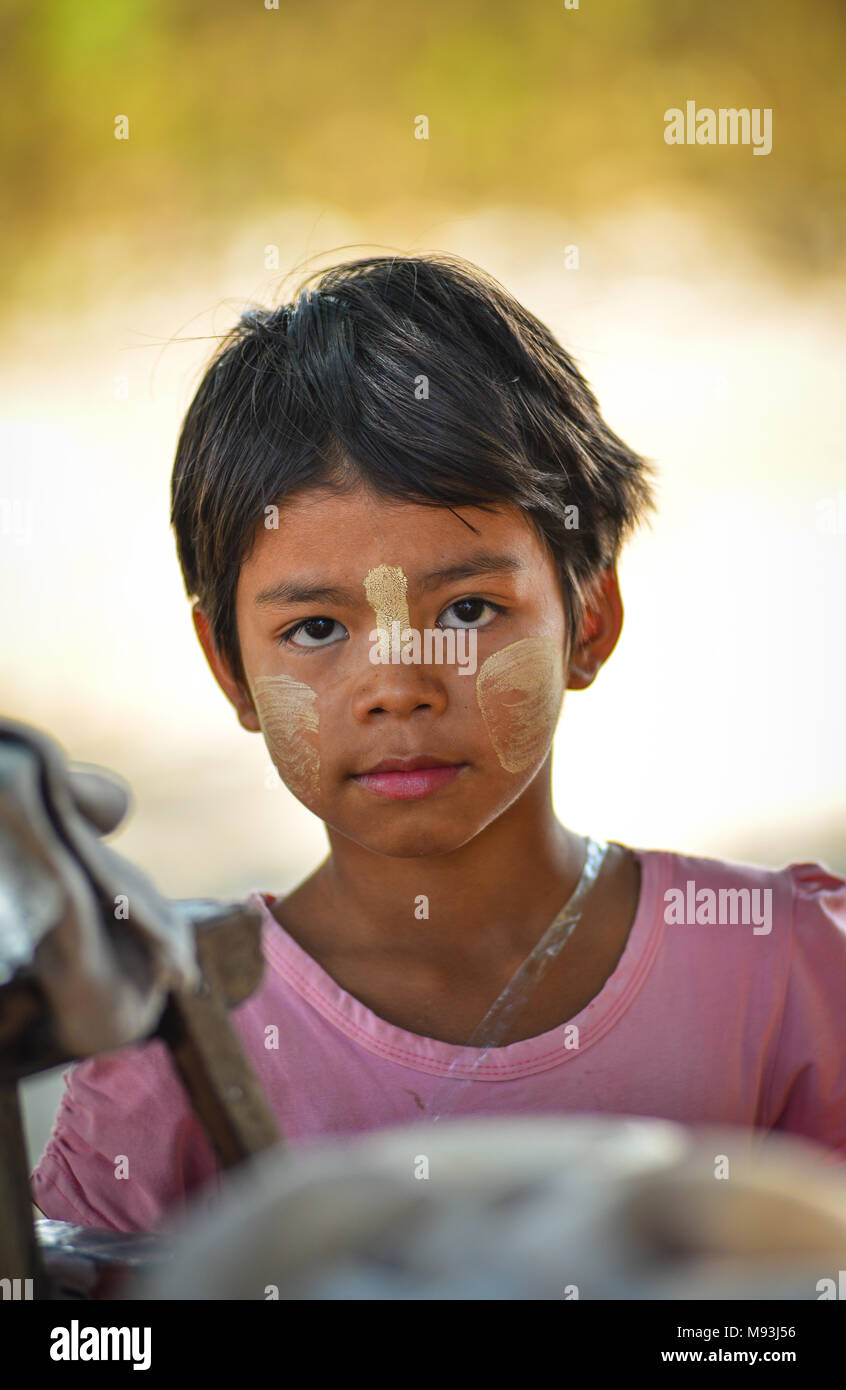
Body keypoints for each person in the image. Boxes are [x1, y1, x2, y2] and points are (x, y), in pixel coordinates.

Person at [30, 252, 846, 1233]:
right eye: (318, 630)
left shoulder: (781, 972)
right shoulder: (177, 1040)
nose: (398, 687)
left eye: (466, 608)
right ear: (229, 665)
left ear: (589, 616)